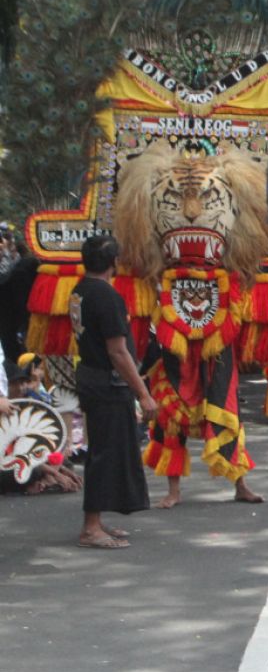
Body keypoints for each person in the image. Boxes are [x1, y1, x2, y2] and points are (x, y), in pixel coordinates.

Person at [70, 235, 156, 549]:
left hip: (91, 379)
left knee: (104, 450)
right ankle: (90, 527)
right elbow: (118, 352)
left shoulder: (80, 291)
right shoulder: (106, 296)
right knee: (106, 453)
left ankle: (97, 521)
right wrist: (143, 394)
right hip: (107, 383)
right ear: (113, 263)